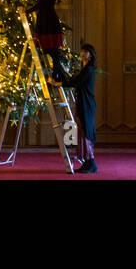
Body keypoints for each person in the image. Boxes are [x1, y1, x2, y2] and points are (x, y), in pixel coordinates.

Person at [11, 0, 66, 79]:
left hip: (48, 20)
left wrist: (27, 11)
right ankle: (57, 75)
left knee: (50, 50)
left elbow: (42, 4)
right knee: (50, 50)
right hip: (47, 18)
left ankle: (57, 76)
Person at [54, 43, 98, 174]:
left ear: (90, 55)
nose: (83, 53)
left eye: (86, 51)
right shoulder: (85, 68)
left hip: (86, 104)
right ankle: (88, 162)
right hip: (84, 103)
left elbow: (77, 81)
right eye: (82, 51)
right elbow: (76, 80)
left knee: (85, 132)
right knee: (83, 132)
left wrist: (59, 83)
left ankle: (91, 163)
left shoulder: (88, 69)